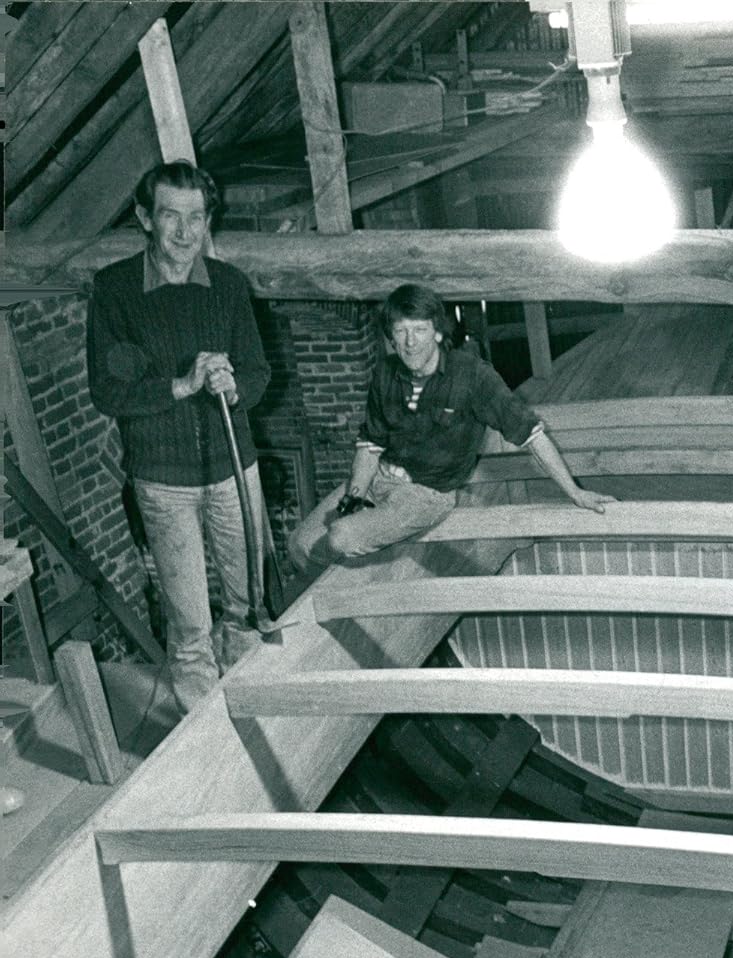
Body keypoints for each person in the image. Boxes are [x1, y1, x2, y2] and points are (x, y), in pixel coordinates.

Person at [87, 161, 271, 716]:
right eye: (171, 217)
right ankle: (207, 731)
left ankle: (255, 711)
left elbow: (260, 374)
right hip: (163, 481)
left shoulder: (230, 286)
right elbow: (108, 391)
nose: (186, 233)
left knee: (245, 605)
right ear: (146, 218)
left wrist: (234, 387)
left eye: (197, 218)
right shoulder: (116, 290)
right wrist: (182, 383)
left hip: (234, 470)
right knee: (191, 623)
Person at [290, 284, 611, 571]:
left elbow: (533, 436)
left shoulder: (473, 376)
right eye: (400, 332)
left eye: (419, 330)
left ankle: (361, 575)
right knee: (300, 543)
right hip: (378, 480)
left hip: (425, 495)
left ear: (438, 333)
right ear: (391, 338)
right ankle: (336, 587)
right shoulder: (386, 373)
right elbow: (369, 448)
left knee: (341, 538)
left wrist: (574, 492)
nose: (410, 342)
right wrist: (352, 500)